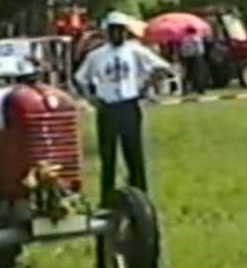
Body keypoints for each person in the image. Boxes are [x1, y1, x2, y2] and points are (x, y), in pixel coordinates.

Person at [73, 12, 174, 204]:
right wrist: (91, 98)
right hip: (107, 107)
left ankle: (141, 197)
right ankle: (107, 198)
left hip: (129, 104)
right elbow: (80, 78)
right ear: (107, 32)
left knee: (134, 153)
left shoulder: (135, 51)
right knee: (108, 157)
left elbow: (162, 67)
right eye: (113, 30)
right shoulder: (97, 56)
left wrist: (145, 86)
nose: (117, 34)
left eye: (121, 30)